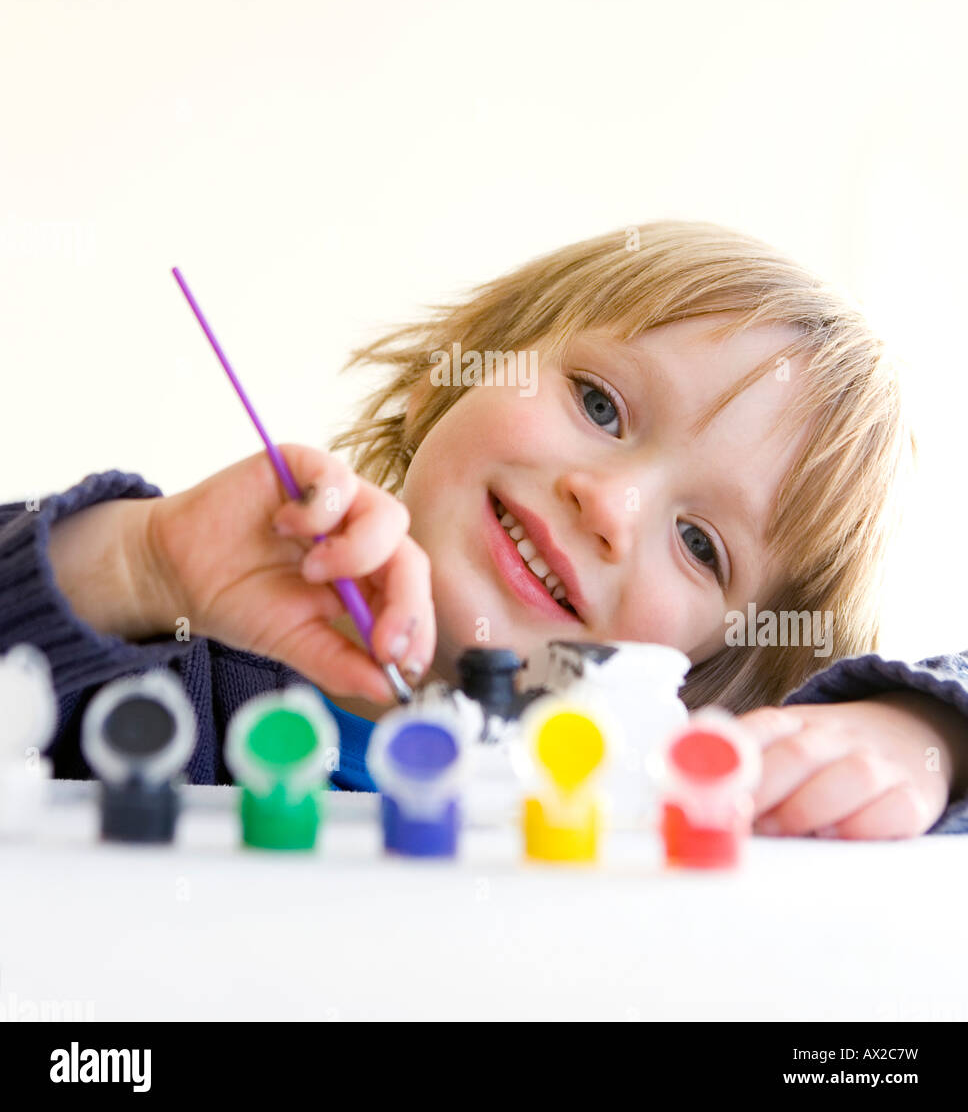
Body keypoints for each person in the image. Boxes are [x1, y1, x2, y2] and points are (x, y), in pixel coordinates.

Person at [3, 219, 966, 837]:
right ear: (445, 380)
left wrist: (924, 735)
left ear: (722, 677)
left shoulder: (669, 811)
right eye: (598, 403)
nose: (612, 504)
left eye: (701, 544)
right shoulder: (152, 689)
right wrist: (133, 566)